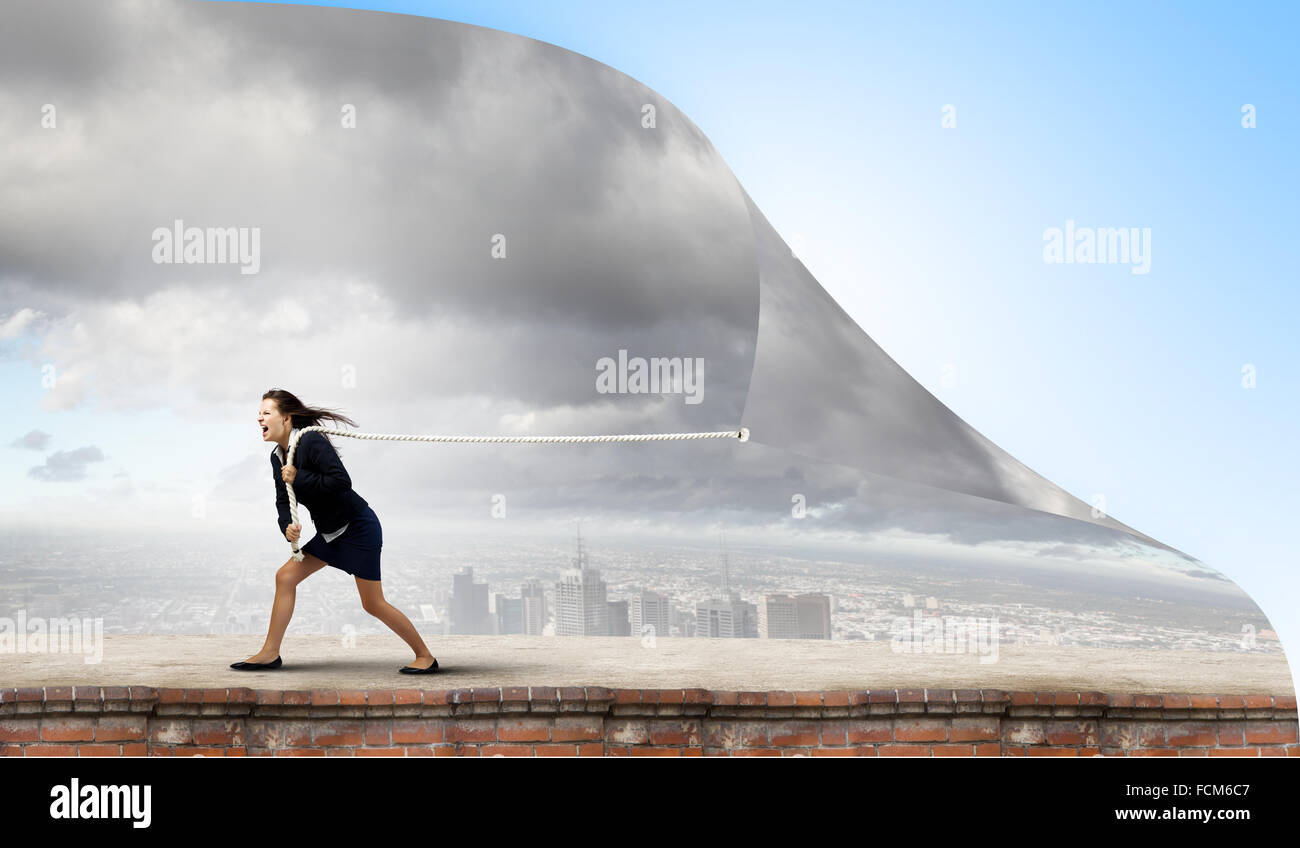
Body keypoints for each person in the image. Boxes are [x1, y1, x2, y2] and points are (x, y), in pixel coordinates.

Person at [230, 388, 439, 674]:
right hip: (330, 534)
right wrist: (287, 527)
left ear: (287, 418)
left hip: (358, 529)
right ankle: (270, 652)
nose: (259, 419)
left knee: (373, 603)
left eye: (266, 413)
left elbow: (341, 482)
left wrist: (299, 476)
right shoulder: (277, 457)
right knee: (285, 577)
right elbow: (282, 501)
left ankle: (425, 656)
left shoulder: (311, 440)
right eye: (259, 413)